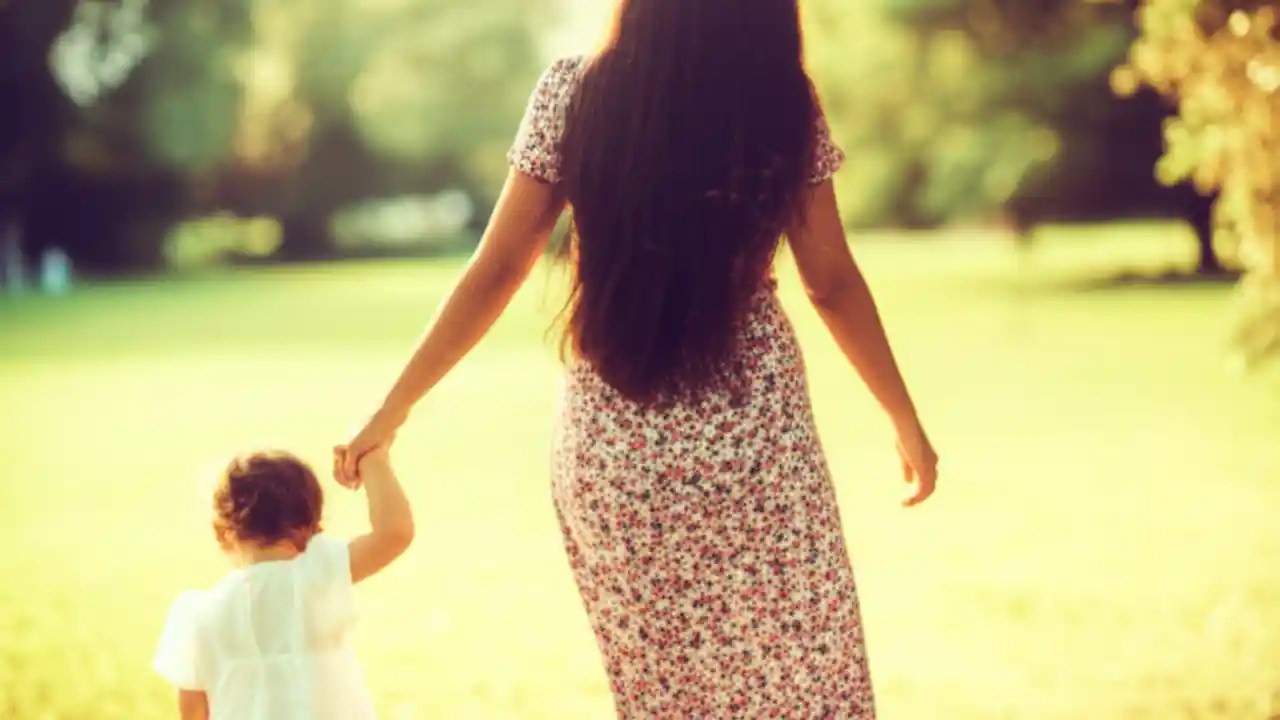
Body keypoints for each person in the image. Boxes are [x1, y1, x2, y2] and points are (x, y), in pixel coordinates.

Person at [336, 1, 938, 716]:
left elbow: (497, 268)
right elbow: (830, 282)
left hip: (618, 456)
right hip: (756, 448)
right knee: (803, 683)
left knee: (669, 695)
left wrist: (392, 410)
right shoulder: (782, 102)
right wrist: (903, 417)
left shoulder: (574, 93)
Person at [153, 448, 413, 719]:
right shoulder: (318, 574)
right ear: (312, 526)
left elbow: (193, 713)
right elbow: (395, 533)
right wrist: (373, 458)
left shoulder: (196, 615)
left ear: (222, 531)